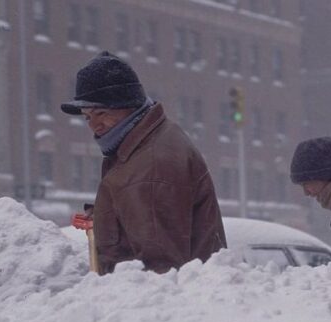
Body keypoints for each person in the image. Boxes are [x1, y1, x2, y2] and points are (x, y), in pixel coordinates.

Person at [62, 51, 226, 274]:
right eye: (88, 116)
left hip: (156, 306)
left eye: (101, 112)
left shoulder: (150, 165)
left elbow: (160, 270)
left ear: (128, 104)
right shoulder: (143, 147)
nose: (94, 125)